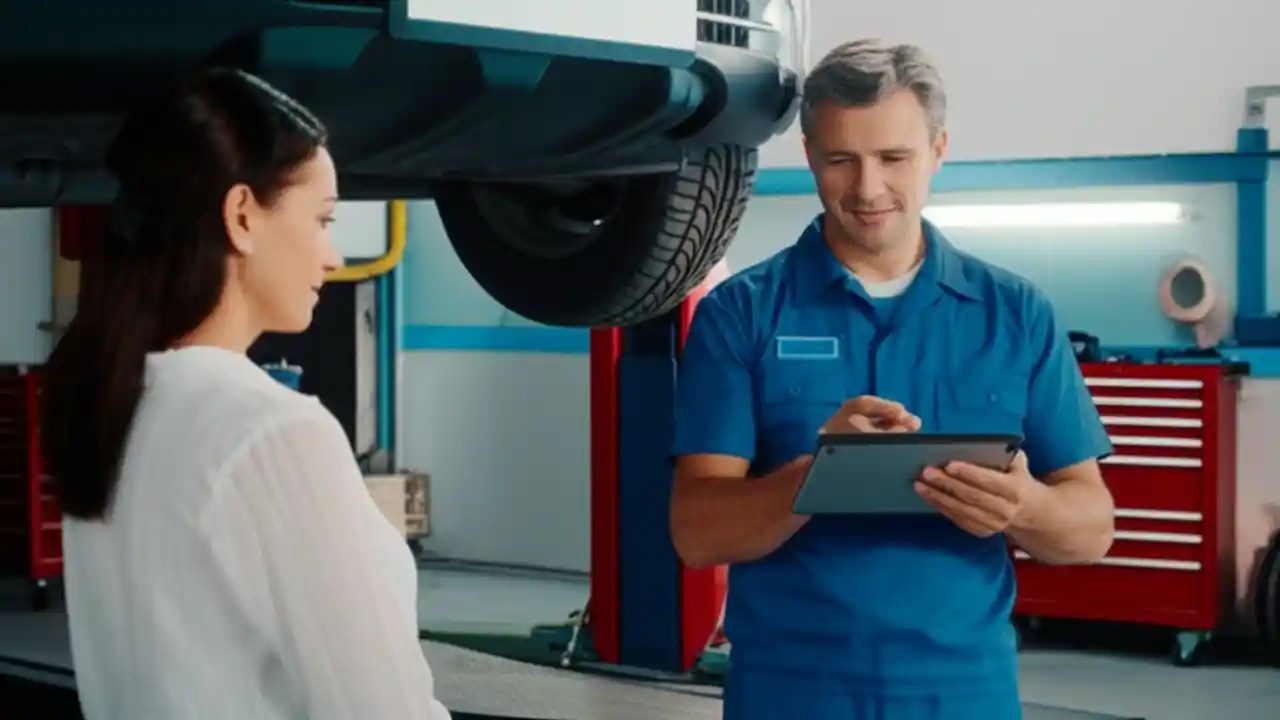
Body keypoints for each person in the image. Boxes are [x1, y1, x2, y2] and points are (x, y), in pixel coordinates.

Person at [669, 38, 1116, 719]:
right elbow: (697, 533)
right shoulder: (741, 314)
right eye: (841, 159)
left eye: (894, 158)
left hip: (965, 698)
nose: (868, 188)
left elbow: (1092, 530)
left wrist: (1024, 507)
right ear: (811, 155)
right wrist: (815, 474)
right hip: (789, 697)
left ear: (938, 149)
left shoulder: (1015, 314)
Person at [40, 68, 451, 720]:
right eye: (322, 220)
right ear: (241, 217)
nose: (333, 256)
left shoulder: (116, 404)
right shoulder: (273, 431)